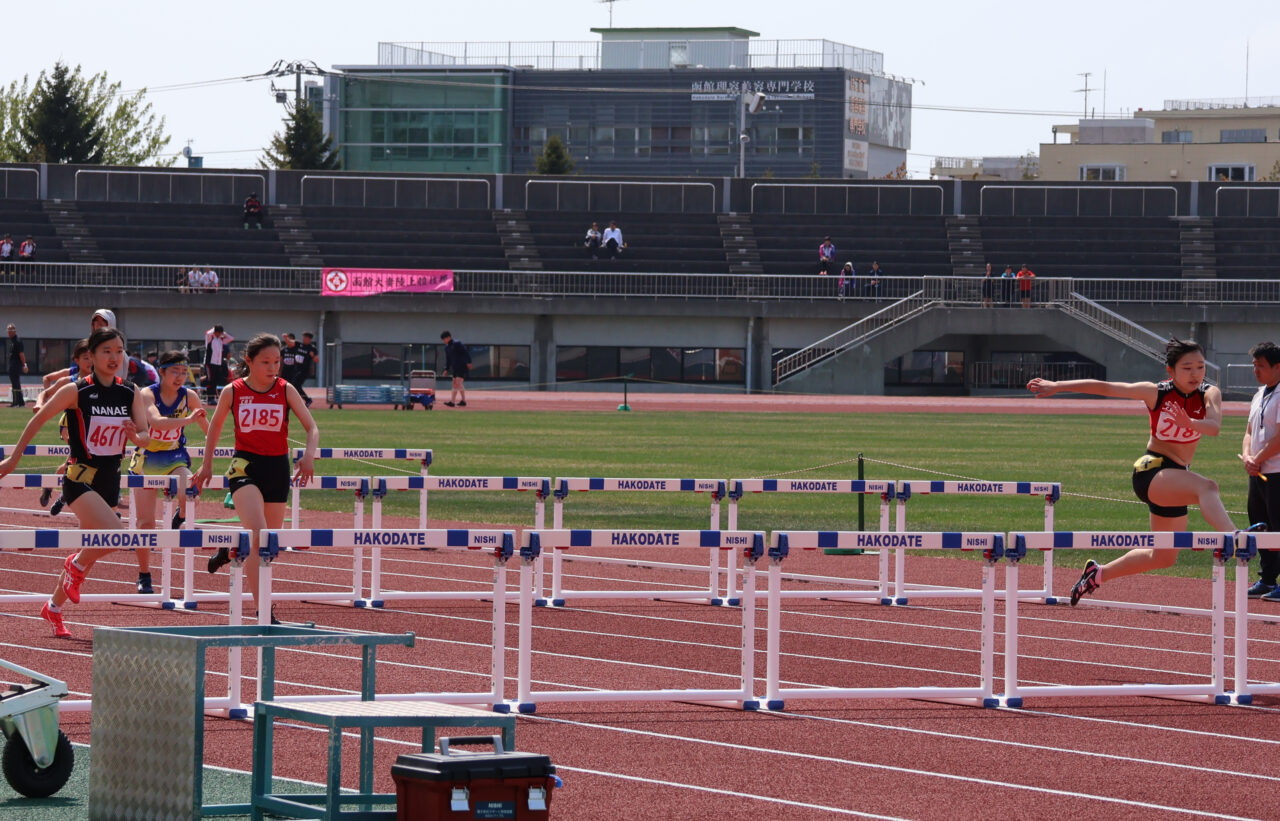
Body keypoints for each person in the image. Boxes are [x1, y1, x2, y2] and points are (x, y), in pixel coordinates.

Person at [1027, 338, 1248, 606]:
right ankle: (1237, 539)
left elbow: (1214, 427)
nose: (1195, 374)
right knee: (1208, 487)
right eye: (1187, 368)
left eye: (1200, 367)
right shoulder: (1156, 392)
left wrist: (1188, 421)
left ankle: (1097, 574)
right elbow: (1107, 388)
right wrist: (1056, 386)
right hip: (1152, 471)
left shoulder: (1209, 393)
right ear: (1171, 371)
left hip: (1177, 478)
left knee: (1163, 557)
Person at [0, 328, 151, 638]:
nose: (113, 357)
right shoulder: (76, 390)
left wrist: (137, 437)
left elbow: (146, 434)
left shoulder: (130, 392)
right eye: (106, 351)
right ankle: (75, 567)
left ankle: (53, 608)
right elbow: (37, 420)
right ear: (91, 357)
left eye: (119, 351)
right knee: (113, 535)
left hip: (110, 478)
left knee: (92, 547)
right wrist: (13, 460)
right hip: (80, 477)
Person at [194, 333, 318, 619]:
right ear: (249, 361)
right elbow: (214, 428)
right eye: (266, 362)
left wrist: (309, 455)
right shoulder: (233, 391)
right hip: (244, 467)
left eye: (277, 361)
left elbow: (312, 428)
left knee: (267, 548)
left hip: (277, 468)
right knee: (260, 536)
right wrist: (207, 464)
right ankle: (264, 610)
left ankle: (229, 551)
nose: (273, 367)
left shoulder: (286, 389)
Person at [129, 351, 210, 590]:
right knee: (146, 524)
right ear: (161, 372)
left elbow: (208, 426)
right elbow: (156, 422)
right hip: (147, 460)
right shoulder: (146, 394)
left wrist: (215, 444)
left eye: (184, 373)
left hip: (174, 458)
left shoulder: (190, 396)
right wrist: (188, 421)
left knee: (190, 490)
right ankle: (144, 574)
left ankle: (181, 515)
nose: (180, 377)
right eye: (175, 372)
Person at [1241, 341, 1280, 601]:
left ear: (1277, 367)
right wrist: (1247, 457)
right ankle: (1267, 579)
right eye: (1254, 365)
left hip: (1276, 470)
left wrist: (1258, 458)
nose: (1256, 370)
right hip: (1258, 472)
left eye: (1261, 366)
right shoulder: (1259, 394)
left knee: (1279, 527)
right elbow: (1249, 431)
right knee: (1260, 525)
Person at [204, 324, 234, 404]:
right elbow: (207, 333)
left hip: (218, 363)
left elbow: (231, 338)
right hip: (210, 363)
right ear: (215, 332)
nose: (219, 334)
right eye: (218, 332)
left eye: (220, 333)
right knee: (210, 380)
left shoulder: (221, 340)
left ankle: (213, 398)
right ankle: (210, 398)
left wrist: (223, 333)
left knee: (215, 380)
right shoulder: (210, 338)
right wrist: (213, 329)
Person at [440, 330, 470, 408]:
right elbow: (448, 359)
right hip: (455, 368)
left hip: (462, 366)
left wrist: (469, 362)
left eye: (444, 339)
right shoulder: (447, 348)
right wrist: (446, 369)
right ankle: (462, 401)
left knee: (457, 383)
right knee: (456, 384)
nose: (444, 341)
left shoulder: (457, 344)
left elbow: (466, 352)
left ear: (449, 337)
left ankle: (453, 402)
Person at [296, 332, 319, 407]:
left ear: (309, 339)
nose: (303, 339)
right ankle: (306, 400)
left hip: (304, 370)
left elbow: (317, 360)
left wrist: (313, 356)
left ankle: (307, 400)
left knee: (296, 385)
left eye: (305, 338)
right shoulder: (299, 345)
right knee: (294, 385)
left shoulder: (312, 348)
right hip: (295, 369)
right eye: (303, 337)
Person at [7, 323, 27, 407]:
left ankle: (17, 402)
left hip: (16, 364)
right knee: (14, 383)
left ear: (14, 331)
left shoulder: (17, 341)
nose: (8, 332)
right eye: (8, 330)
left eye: (10, 330)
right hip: (12, 364)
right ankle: (19, 402)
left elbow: (21, 354)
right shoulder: (12, 341)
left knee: (16, 383)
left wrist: (24, 364)